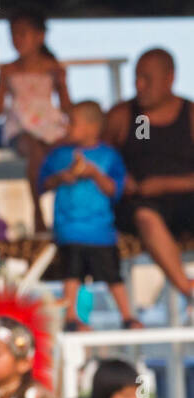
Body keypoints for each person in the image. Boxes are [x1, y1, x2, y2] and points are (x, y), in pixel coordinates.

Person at [39, 102, 139, 331]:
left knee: (113, 275)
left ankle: (127, 316)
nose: (67, 127)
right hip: (69, 230)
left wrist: (94, 174)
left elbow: (116, 190)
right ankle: (72, 317)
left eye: (72, 122)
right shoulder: (59, 155)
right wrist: (62, 177)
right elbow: (44, 182)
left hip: (101, 231)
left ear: (93, 127)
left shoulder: (109, 156)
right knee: (71, 274)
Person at [105, 48, 194, 305]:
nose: (139, 85)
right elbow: (98, 159)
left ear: (170, 78)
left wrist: (163, 184)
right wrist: (123, 181)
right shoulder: (121, 116)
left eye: (146, 78)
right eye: (136, 78)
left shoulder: (189, 115)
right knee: (146, 215)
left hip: (185, 202)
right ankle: (188, 290)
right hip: (138, 209)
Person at [0, 9, 70, 235]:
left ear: (39, 37)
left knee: (62, 153)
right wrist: (1, 84)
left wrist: (63, 83)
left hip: (49, 128)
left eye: (22, 34)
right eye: (13, 34)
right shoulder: (8, 70)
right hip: (20, 129)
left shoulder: (53, 68)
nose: (16, 40)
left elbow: (68, 108)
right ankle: (37, 211)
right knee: (34, 150)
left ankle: (66, 215)